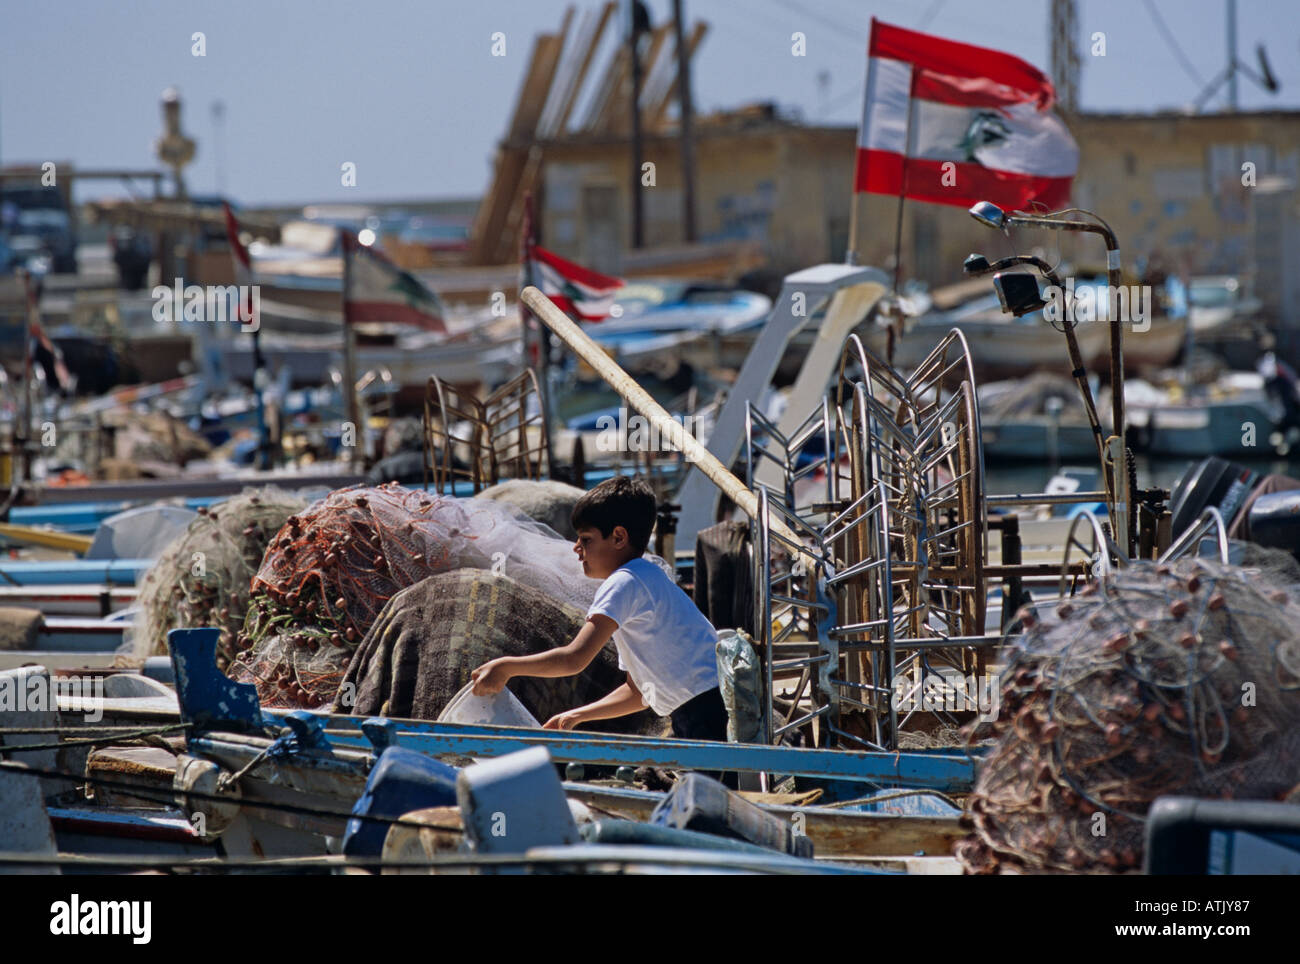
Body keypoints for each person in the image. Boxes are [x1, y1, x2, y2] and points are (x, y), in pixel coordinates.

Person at [470, 475, 727, 743]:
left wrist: (506, 667)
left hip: (703, 713)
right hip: (707, 708)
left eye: (586, 539)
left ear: (618, 537)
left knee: (709, 785)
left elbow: (574, 658)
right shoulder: (645, 578)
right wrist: (576, 716)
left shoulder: (624, 581)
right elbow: (638, 693)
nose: (576, 548)